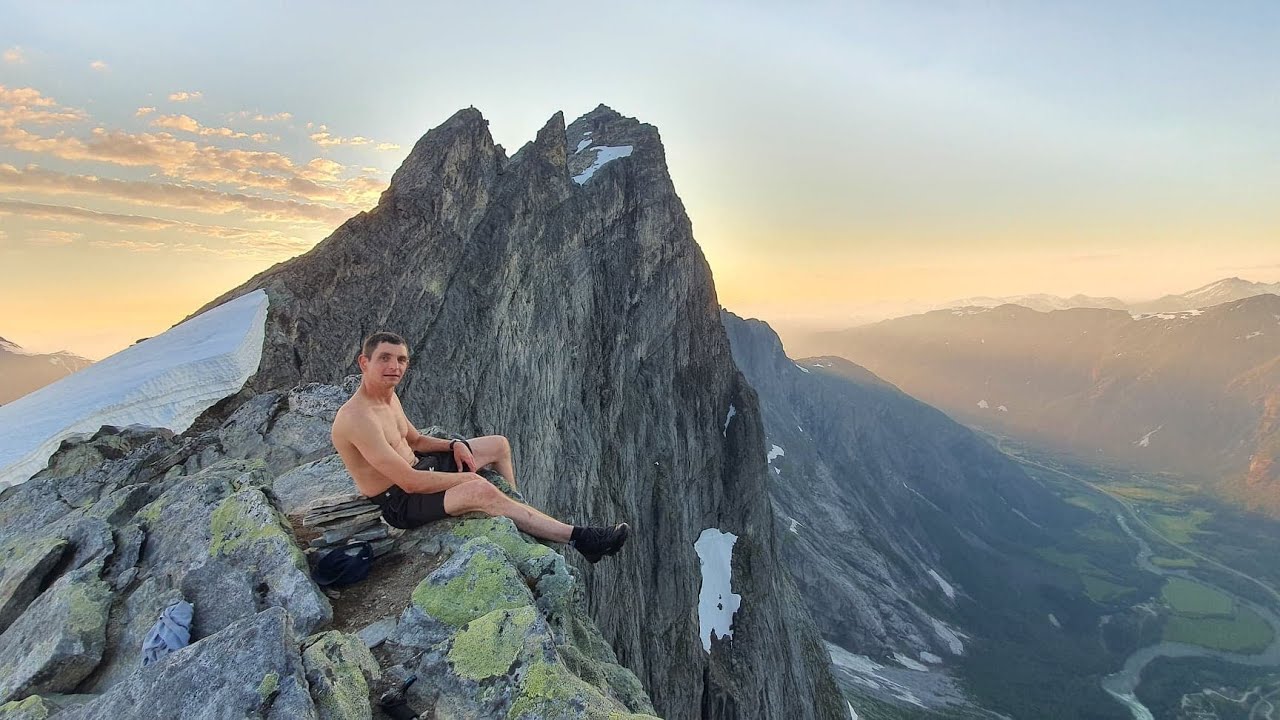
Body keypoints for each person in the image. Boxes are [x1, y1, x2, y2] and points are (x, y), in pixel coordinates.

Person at [331, 331, 629, 563]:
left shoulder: (388, 397)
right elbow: (409, 482)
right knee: (479, 489)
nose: (394, 367)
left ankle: (514, 510)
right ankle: (582, 539)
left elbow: (416, 441)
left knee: (498, 445)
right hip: (400, 501)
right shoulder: (357, 419)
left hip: (422, 468)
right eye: (384, 358)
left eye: (401, 360)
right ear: (364, 362)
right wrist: (468, 478)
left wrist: (454, 444)